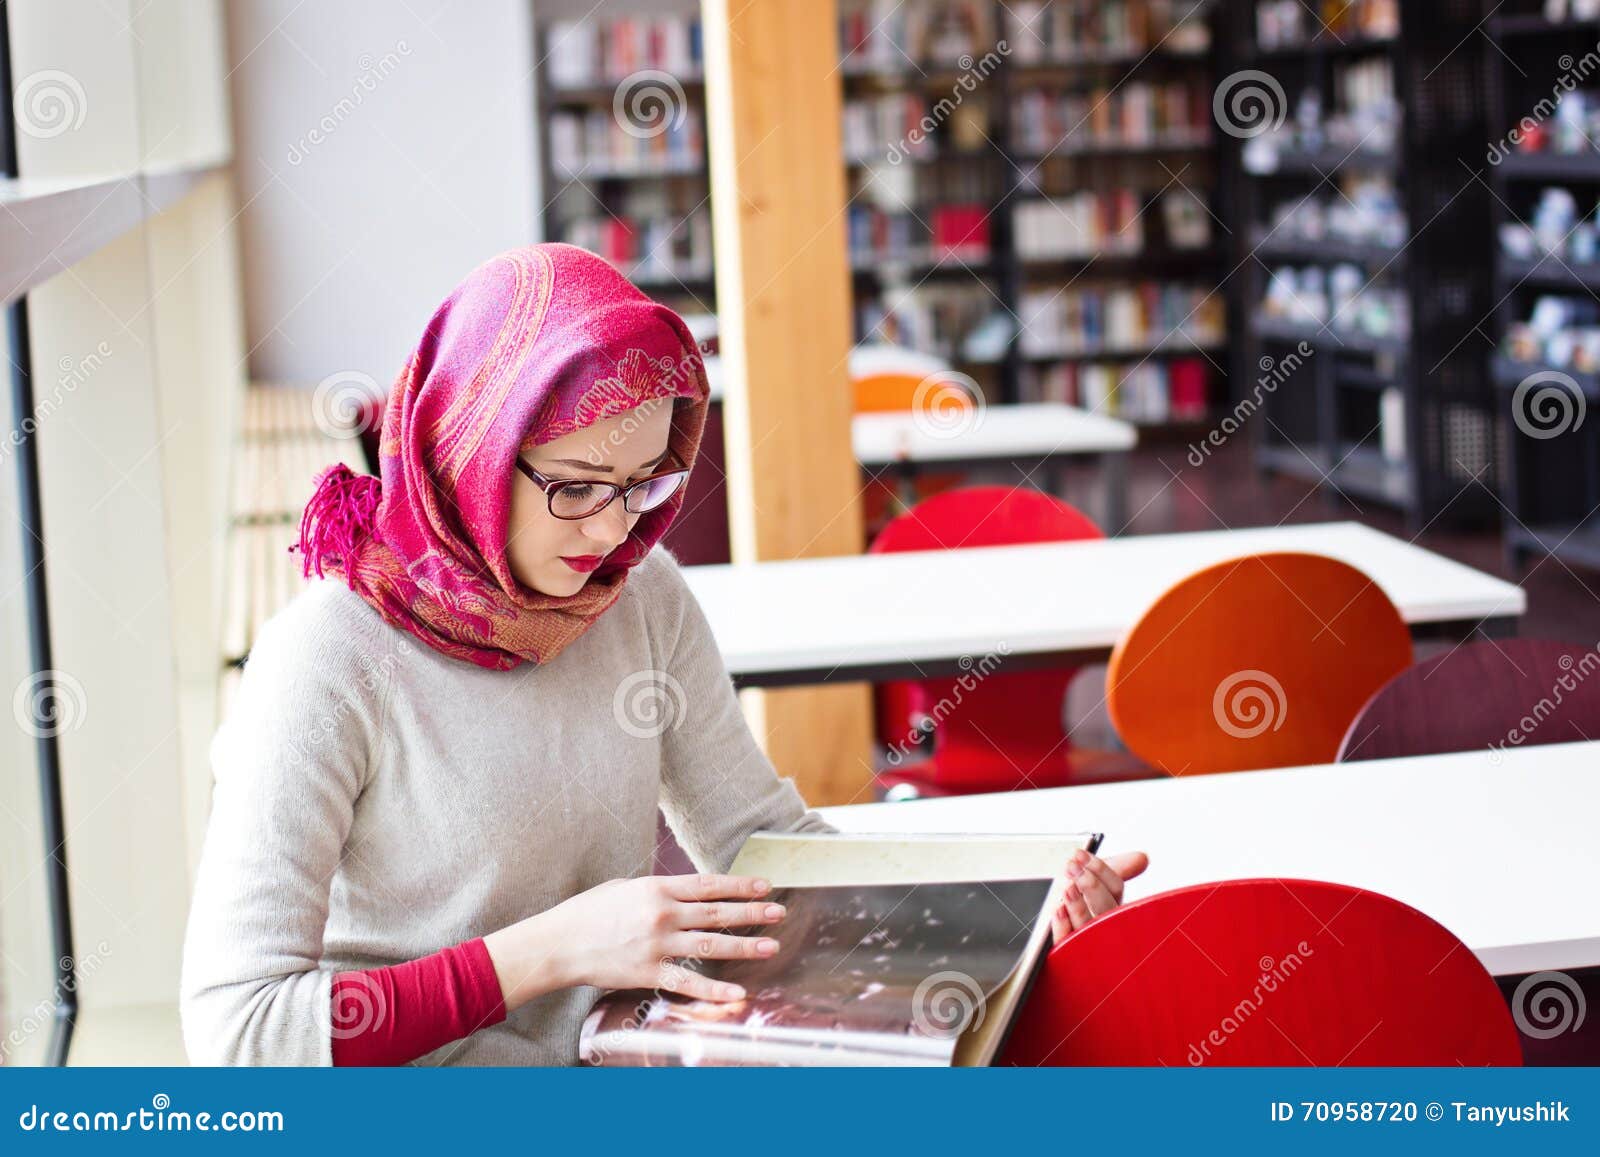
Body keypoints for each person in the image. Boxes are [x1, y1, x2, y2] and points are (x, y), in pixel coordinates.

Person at [178, 243, 1148, 1067]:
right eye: (575, 485)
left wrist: (1011, 904)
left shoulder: (637, 596)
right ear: (472, 445)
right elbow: (238, 1027)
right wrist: (550, 950)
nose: (613, 531)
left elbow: (764, 843)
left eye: (644, 482)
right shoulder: (327, 659)